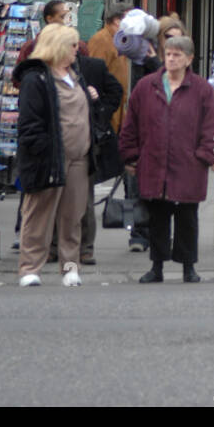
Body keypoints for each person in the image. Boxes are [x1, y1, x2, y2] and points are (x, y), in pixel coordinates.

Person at [119, 34, 214, 284]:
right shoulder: (146, 86)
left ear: (189, 59)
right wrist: (130, 156)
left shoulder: (203, 89)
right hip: (154, 163)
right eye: (168, 54)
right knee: (158, 218)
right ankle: (157, 267)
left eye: (177, 55)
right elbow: (129, 124)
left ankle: (189, 267)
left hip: (189, 165)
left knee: (188, 218)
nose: (172, 59)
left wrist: (212, 156)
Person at [13, 24, 94, 287]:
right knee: (39, 215)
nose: (77, 50)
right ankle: (29, 269)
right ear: (59, 47)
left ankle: (70, 268)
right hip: (48, 157)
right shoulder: (36, 78)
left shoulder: (76, 74)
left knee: (73, 217)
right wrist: (40, 150)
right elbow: (30, 121)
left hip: (79, 158)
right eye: (72, 45)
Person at [113, 8, 162, 252]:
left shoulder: (161, 62)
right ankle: (139, 234)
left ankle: (159, 235)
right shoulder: (126, 54)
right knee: (134, 184)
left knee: (161, 189)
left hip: (162, 135)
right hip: (136, 130)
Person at [71, 35, 123, 266]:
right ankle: (56, 247)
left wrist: (102, 111)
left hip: (87, 142)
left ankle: (85, 248)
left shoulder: (92, 67)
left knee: (85, 197)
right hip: (60, 143)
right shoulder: (47, 71)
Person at [85, 3, 132, 132]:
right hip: (106, 111)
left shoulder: (118, 39)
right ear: (117, 21)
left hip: (116, 108)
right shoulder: (101, 40)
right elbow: (94, 77)